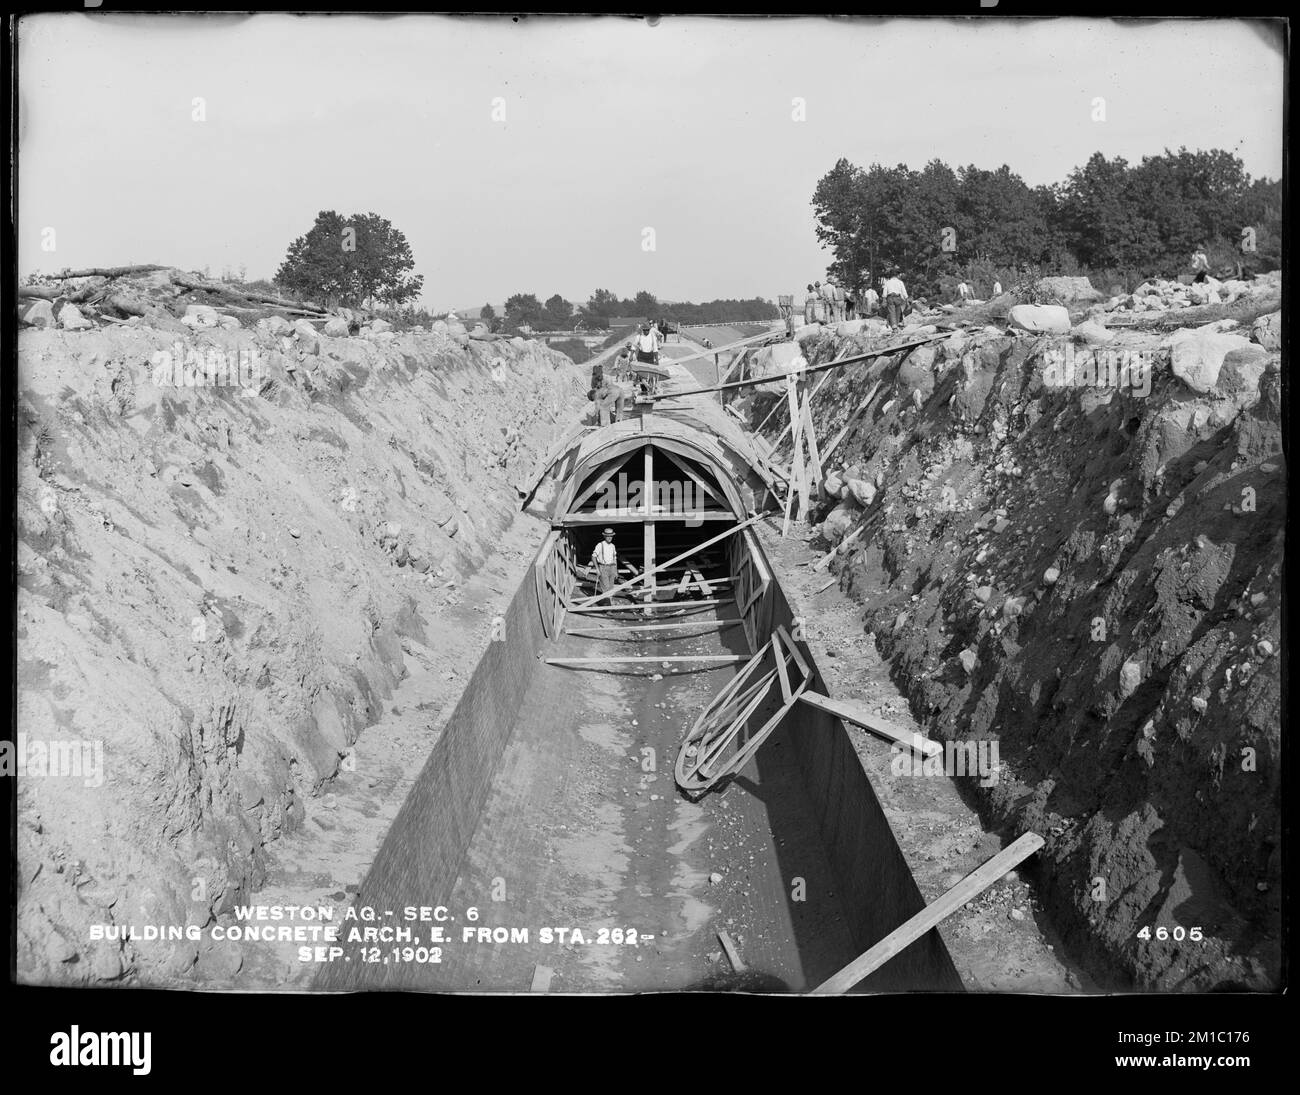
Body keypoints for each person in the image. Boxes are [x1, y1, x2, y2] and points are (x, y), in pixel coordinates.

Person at [589, 528, 619, 597]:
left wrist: (615, 571)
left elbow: (615, 559)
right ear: (605, 536)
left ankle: (608, 603)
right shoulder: (600, 545)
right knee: (606, 588)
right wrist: (597, 569)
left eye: (611, 536)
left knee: (611, 588)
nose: (610, 537)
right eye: (608, 536)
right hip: (603, 567)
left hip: (612, 567)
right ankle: (607, 604)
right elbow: (593, 557)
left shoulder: (612, 546)